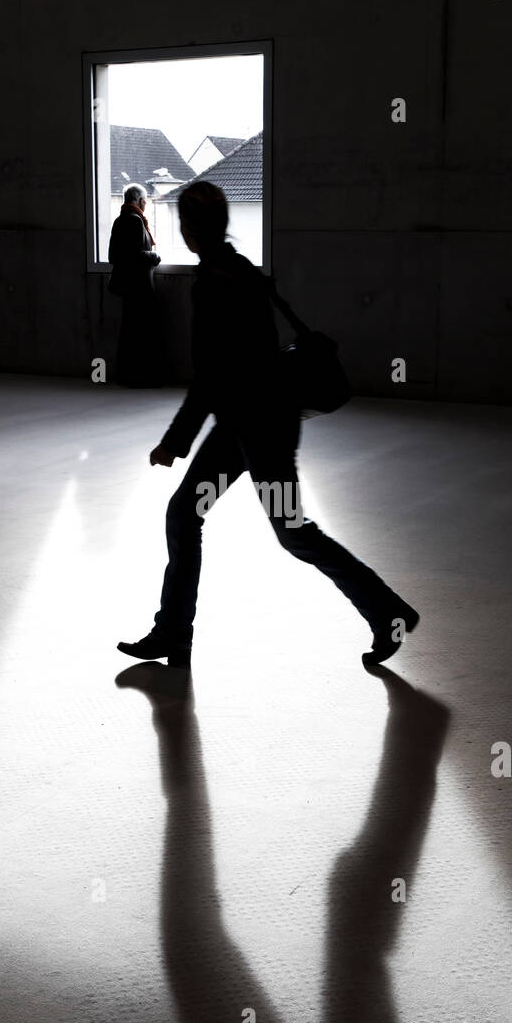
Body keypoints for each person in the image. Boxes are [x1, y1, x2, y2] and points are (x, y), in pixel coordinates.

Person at [117, 181, 419, 669]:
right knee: (185, 514)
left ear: (190, 229)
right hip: (245, 425)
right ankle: (173, 632)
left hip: (261, 433)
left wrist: (174, 442)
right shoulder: (238, 269)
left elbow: (211, 376)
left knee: (293, 532)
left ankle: (388, 614)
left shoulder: (217, 283)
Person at [108, 183, 167, 386]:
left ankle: (128, 375)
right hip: (139, 285)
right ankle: (143, 377)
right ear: (140, 201)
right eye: (145, 200)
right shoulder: (134, 221)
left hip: (128, 286)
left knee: (131, 331)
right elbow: (134, 255)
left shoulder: (119, 220)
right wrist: (154, 256)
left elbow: (113, 256)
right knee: (143, 333)